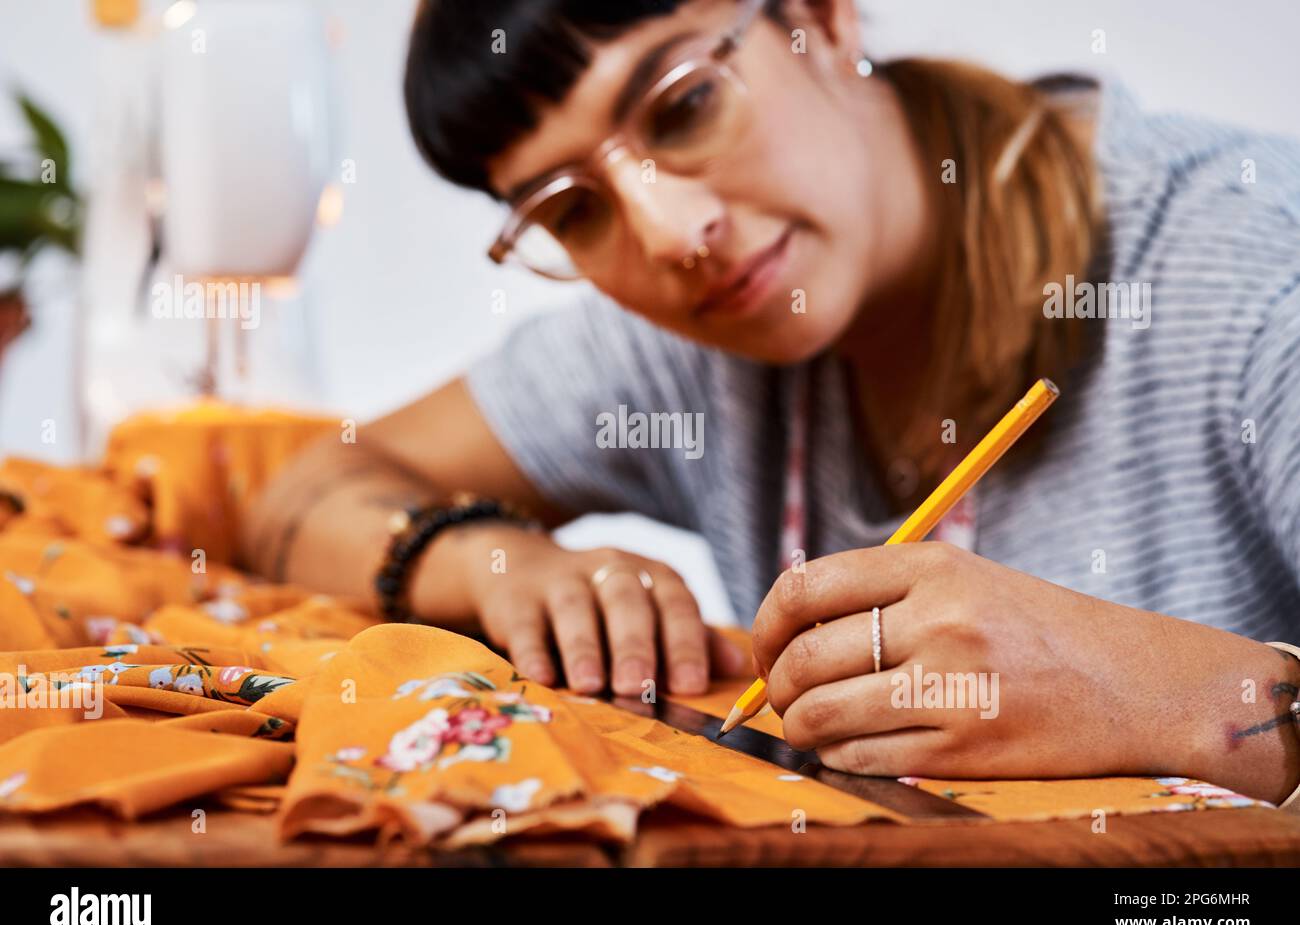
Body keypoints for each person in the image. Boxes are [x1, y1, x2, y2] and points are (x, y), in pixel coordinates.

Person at [245, 0, 1300, 803]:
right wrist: (491, 558)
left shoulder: (1251, 261)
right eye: (573, 211)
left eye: (686, 105)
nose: (665, 232)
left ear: (823, 18)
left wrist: (1170, 698)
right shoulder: (684, 341)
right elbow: (302, 493)